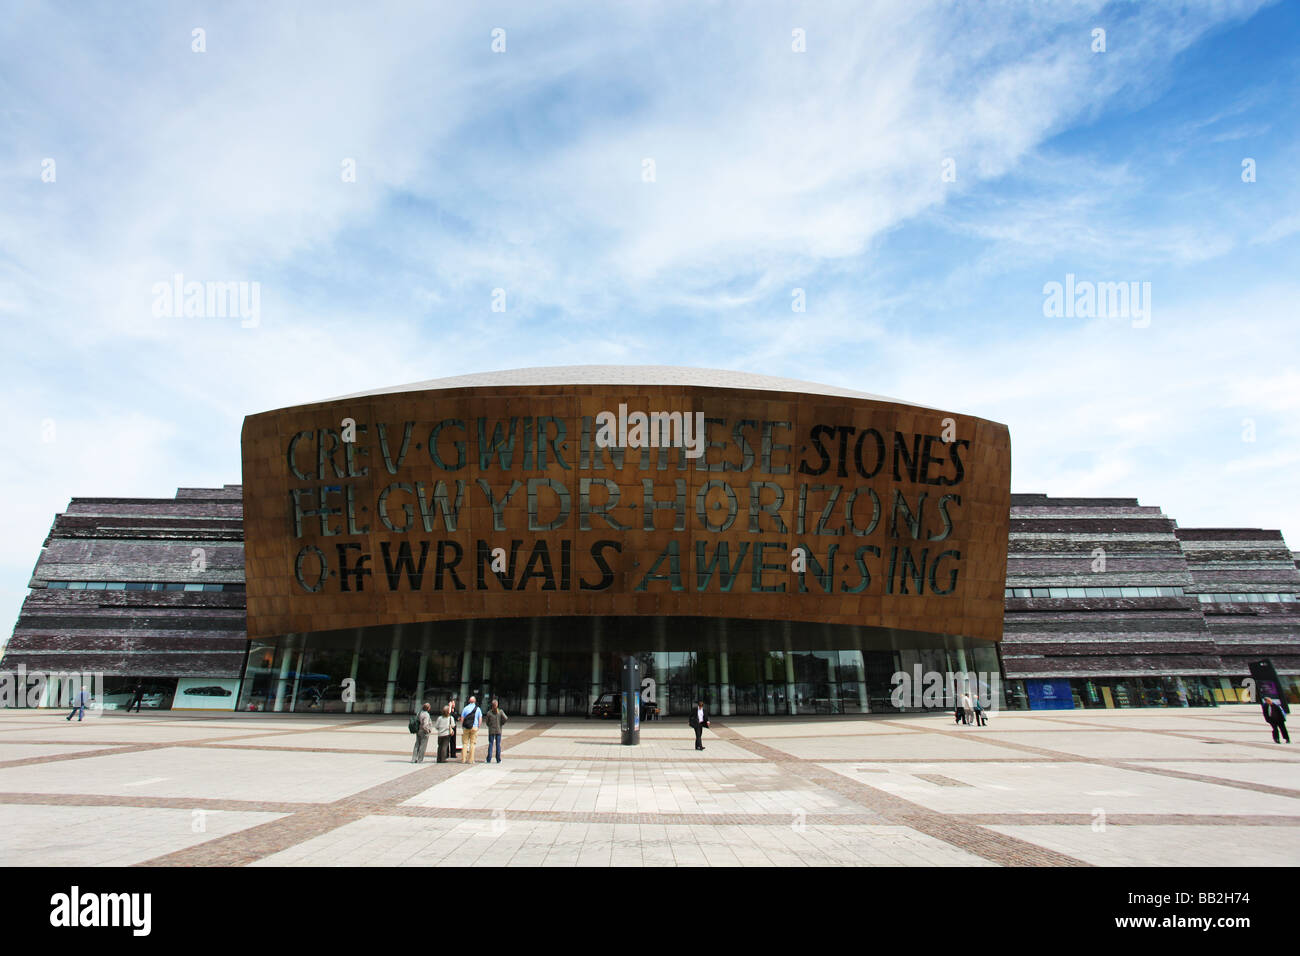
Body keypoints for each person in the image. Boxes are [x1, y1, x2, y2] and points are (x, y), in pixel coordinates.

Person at [483, 698, 508, 763]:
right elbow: (505, 718)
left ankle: (489, 759)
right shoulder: (500, 711)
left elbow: (487, 722)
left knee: (491, 744)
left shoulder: (489, 713)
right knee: (498, 745)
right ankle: (498, 759)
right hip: (498, 730)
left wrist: (490, 725)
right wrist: (501, 724)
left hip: (491, 730)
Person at [460, 696, 482, 764]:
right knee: (472, 744)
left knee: (465, 743)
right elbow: (480, 719)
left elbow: (462, 718)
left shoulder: (465, 708)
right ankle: (471, 760)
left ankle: (463, 759)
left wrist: (463, 726)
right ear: (475, 701)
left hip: (466, 727)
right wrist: (478, 727)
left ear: (469, 701)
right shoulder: (478, 709)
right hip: (474, 727)